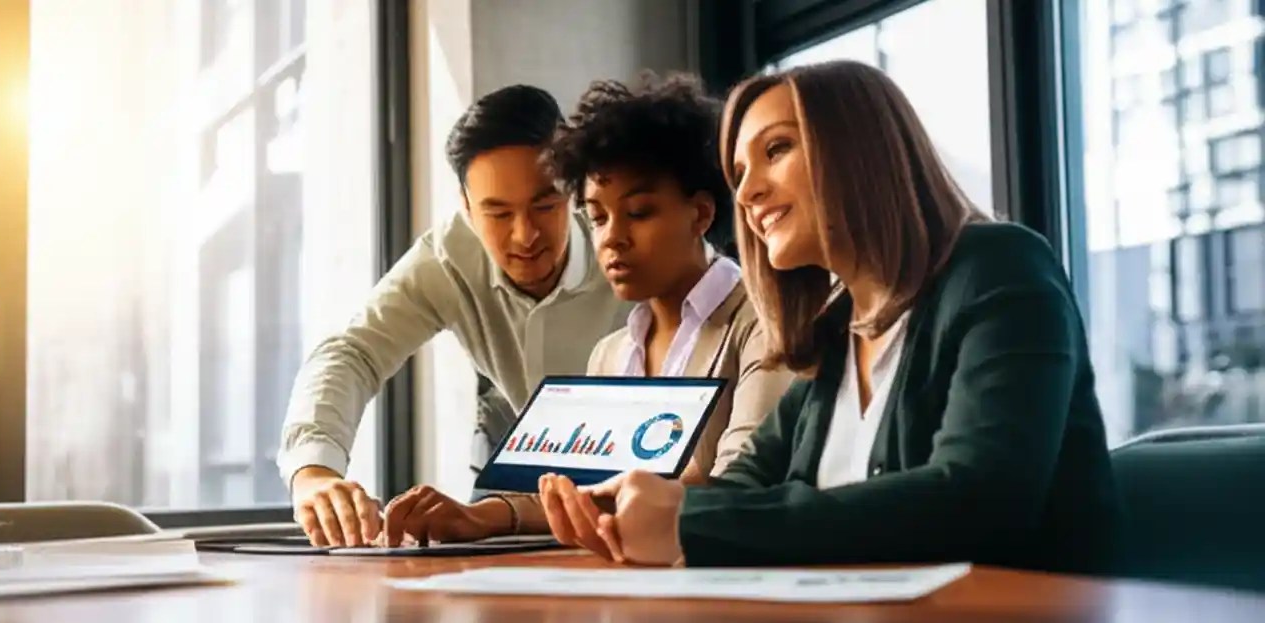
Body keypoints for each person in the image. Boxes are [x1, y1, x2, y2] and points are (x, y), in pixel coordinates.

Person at [539, 61, 1123, 575]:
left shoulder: (1001, 267)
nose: (747, 193)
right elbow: (744, 488)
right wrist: (620, 514)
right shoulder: (835, 334)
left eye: (776, 151)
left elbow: (980, 499)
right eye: (739, 173)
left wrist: (688, 520)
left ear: (860, 150)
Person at [381, 74, 795, 548]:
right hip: (620, 577)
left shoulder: (762, 323)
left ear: (700, 214)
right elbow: (578, 494)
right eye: (597, 217)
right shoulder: (610, 353)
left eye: (638, 213)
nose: (611, 238)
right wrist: (480, 516)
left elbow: (738, 486)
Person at [280, 84, 629, 547]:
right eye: (498, 213)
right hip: (517, 450)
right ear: (466, 206)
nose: (524, 236)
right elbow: (353, 352)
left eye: (545, 205)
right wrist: (313, 473)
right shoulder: (448, 257)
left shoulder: (625, 243)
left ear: (574, 191)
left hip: (639, 461)